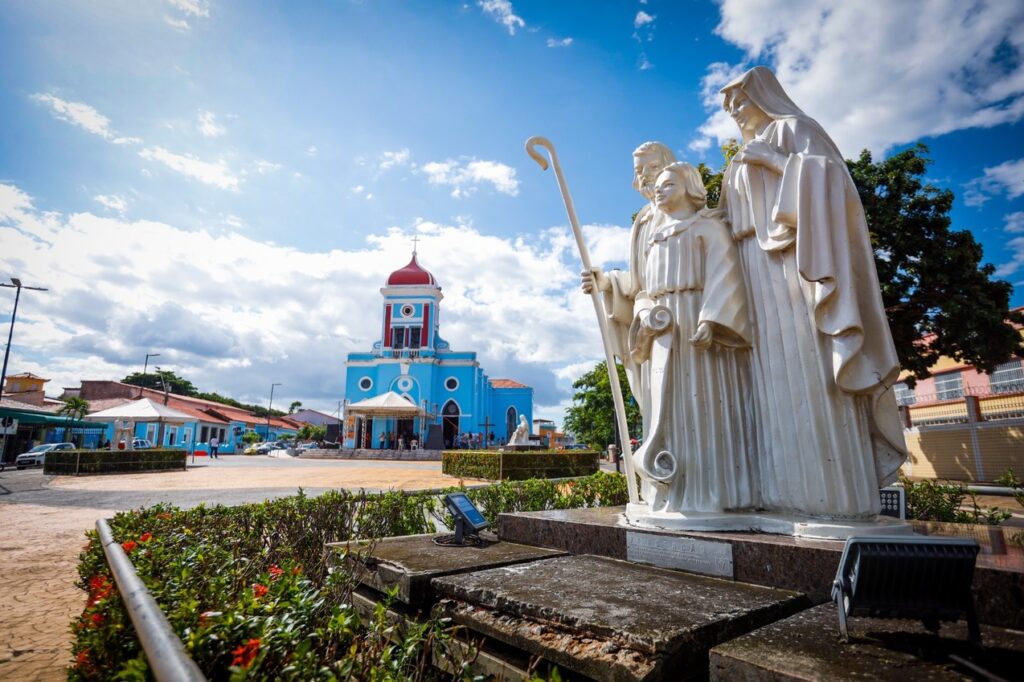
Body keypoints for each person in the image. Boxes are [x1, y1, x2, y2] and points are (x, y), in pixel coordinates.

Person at [718, 66, 906, 518]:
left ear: (762, 95)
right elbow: (721, 225)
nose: (735, 113)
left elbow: (834, 186)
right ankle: (778, 492)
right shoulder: (737, 159)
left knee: (811, 370)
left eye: (740, 102)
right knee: (768, 386)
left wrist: (776, 164)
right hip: (752, 274)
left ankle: (832, 498)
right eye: (729, 109)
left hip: (799, 265)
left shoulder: (793, 129)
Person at [617, 162, 757, 512]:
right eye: (658, 185)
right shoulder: (654, 241)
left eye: (668, 184)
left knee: (702, 408)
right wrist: (645, 313)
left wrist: (712, 319)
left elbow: (725, 275)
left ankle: (710, 492)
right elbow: (644, 291)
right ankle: (669, 489)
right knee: (667, 409)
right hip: (662, 334)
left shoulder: (707, 228)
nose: (659, 190)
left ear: (689, 187)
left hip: (696, 327)